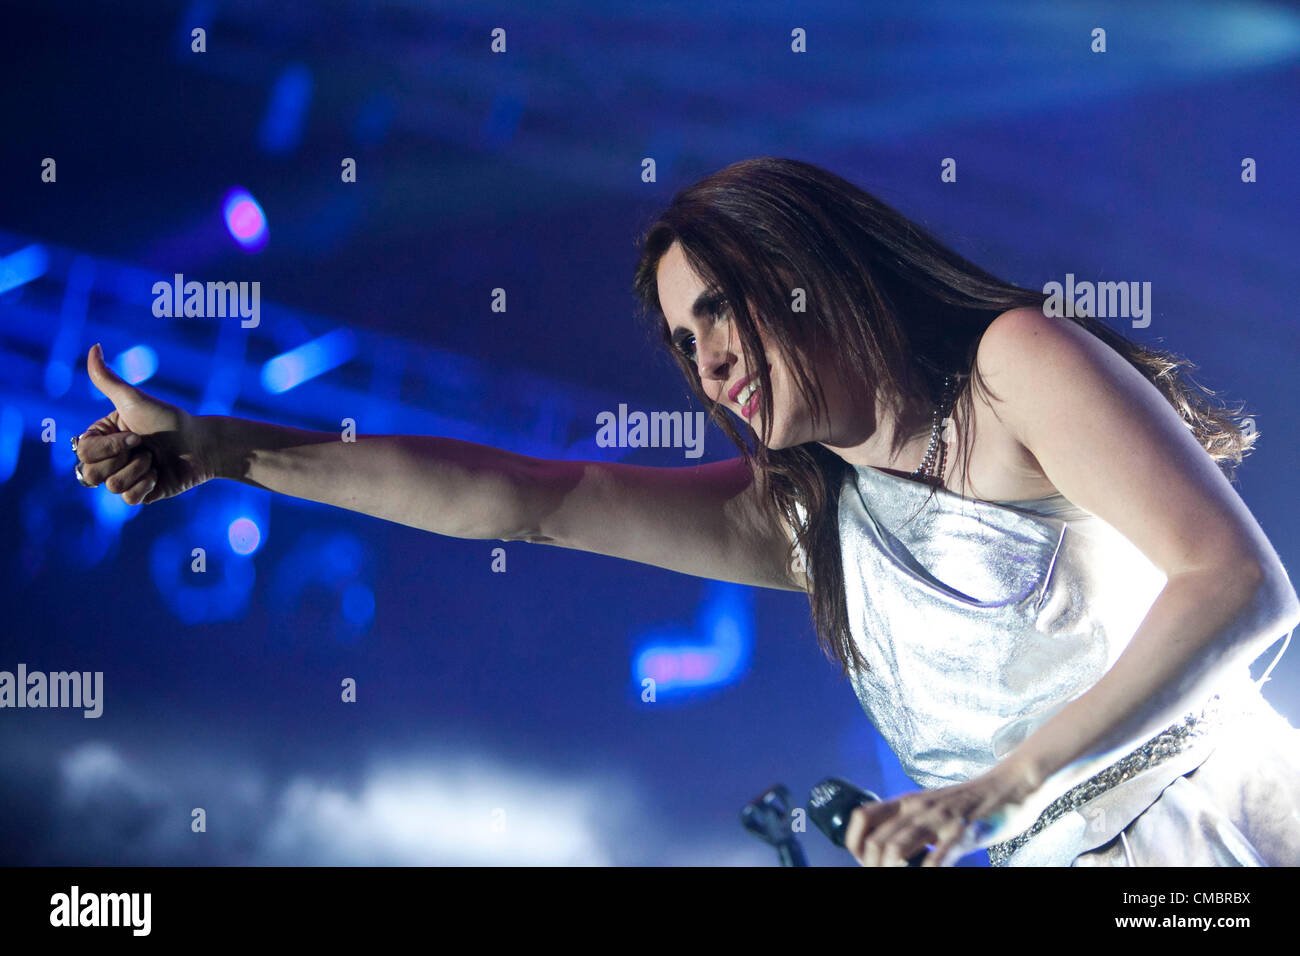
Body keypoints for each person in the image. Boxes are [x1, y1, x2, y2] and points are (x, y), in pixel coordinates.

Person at [72, 157, 1300, 867]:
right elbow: (527, 501)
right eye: (681, 338)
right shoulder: (807, 521)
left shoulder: (1015, 364)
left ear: (812, 272)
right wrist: (232, 449)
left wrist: (1000, 787)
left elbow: (1240, 585)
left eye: (722, 309)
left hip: (1220, 829)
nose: (706, 357)